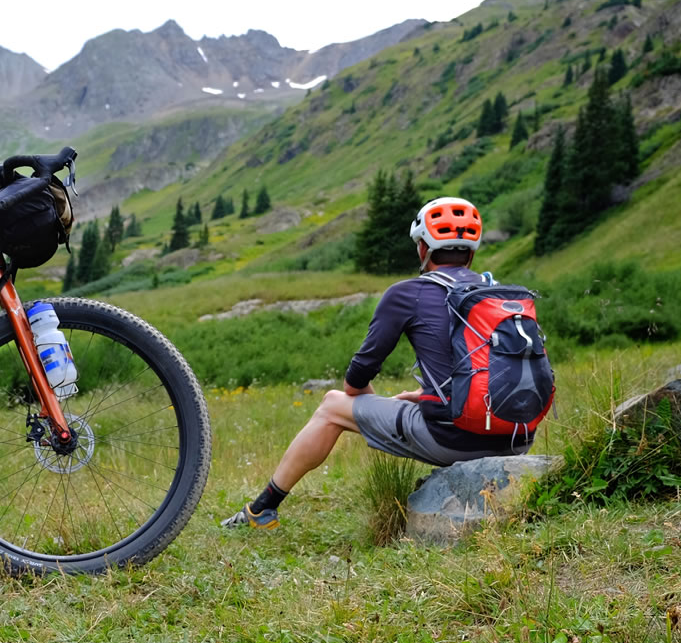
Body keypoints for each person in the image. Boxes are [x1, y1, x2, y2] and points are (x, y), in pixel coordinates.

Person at [222, 196, 533, 529]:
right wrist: (429, 396)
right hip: (518, 437)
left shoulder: (407, 293)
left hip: (453, 440)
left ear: (422, 248)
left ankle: (261, 510)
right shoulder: (500, 293)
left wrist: (372, 405)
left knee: (331, 406)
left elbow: (356, 379)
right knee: (373, 404)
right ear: (472, 252)